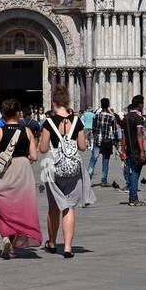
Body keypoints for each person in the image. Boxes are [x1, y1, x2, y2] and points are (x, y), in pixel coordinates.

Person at [39, 86, 94, 257]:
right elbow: (83, 147)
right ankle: (68, 247)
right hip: (72, 169)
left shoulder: (49, 122)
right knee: (69, 207)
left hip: (54, 168)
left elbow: (42, 148)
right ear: (67, 102)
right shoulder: (78, 121)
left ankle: (53, 243)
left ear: (54, 103)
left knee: (54, 207)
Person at [0, 98, 41, 259]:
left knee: (4, 208)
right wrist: (23, 159)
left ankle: (5, 237)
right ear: (18, 113)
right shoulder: (28, 131)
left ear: (3, 114)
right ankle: (13, 245)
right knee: (20, 207)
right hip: (23, 171)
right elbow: (34, 156)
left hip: (4, 171)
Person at [119, 94, 146, 207]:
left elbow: (124, 137)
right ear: (140, 105)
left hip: (129, 149)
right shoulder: (138, 118)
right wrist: (142, 151)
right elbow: (139, 135)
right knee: (135, 173)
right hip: (136, 149)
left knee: (132, 173)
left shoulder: (125, 118)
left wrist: (123, 150)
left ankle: (132, 196)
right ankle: (133, 198)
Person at [88, 98, 114, 185]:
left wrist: (95, 135)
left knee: (93, 160)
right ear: (108, 105)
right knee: (105, 160)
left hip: (97, 140)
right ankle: (103, 180)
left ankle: (88, 178)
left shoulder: (96, 115)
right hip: (107, 141)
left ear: (101, 105)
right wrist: (115, 142)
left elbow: (93, 128)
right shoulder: (112, 117)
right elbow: (113, 131)